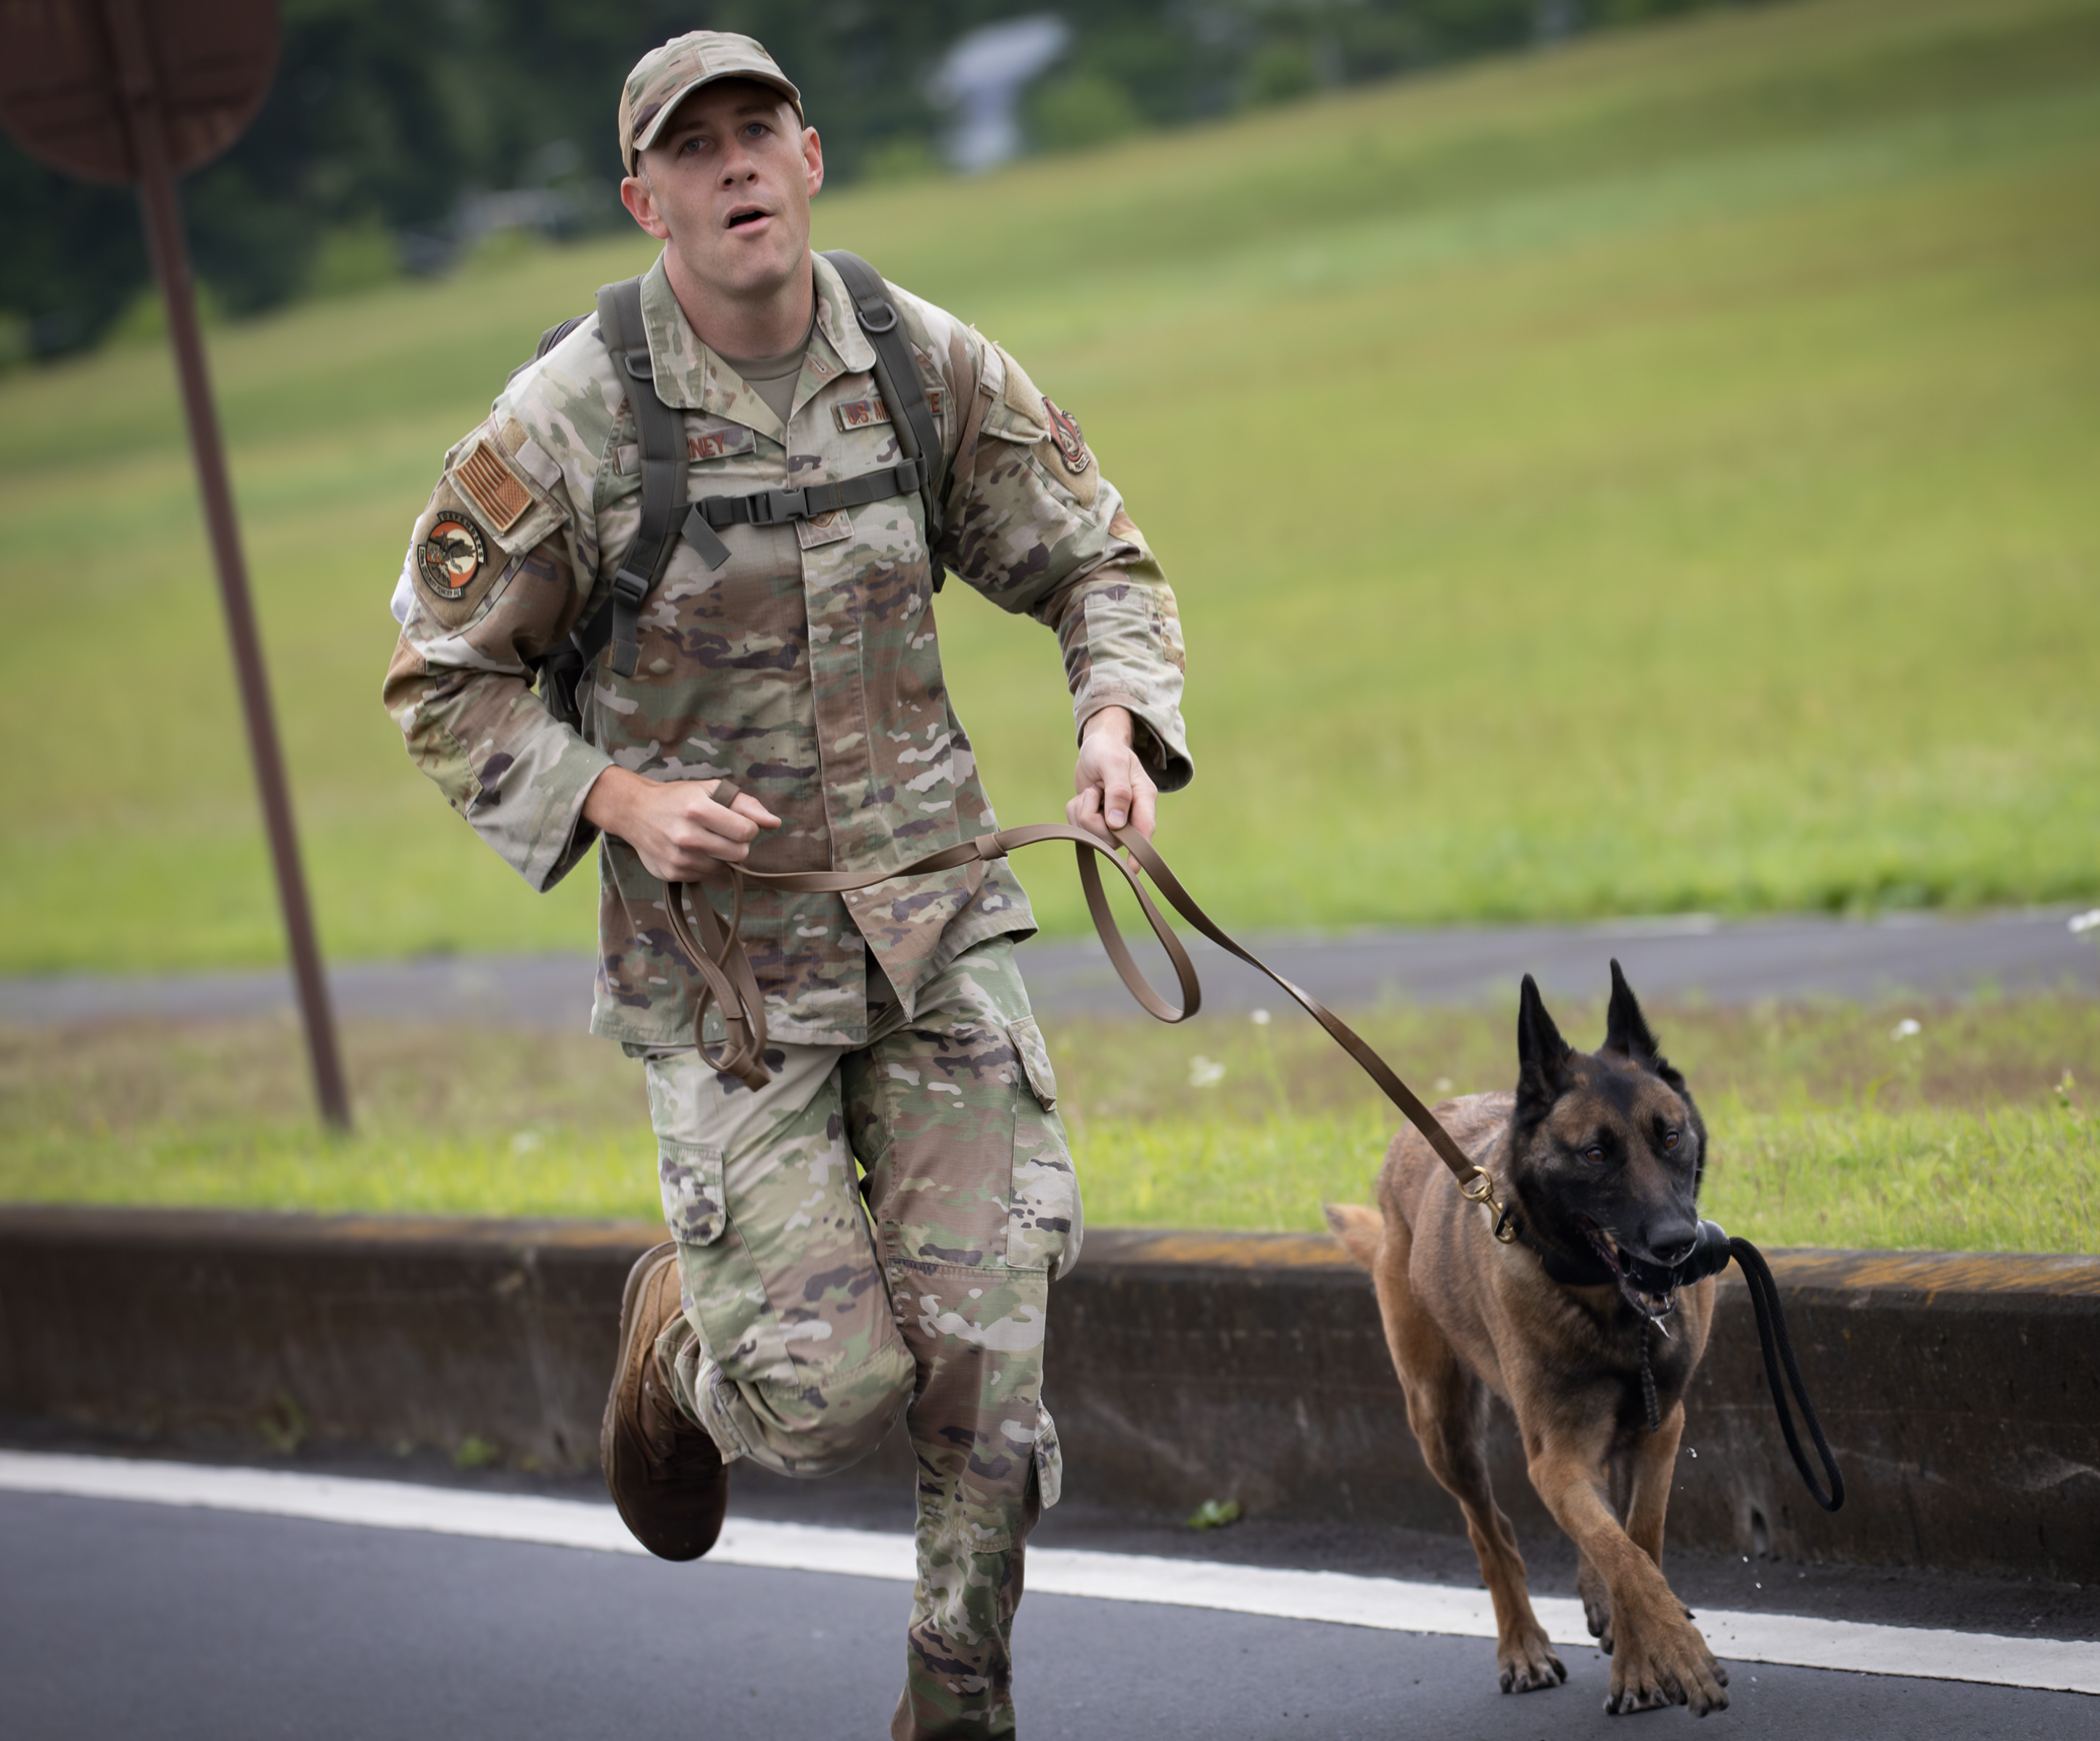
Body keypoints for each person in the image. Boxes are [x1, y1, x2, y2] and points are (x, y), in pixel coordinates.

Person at [381, 30, 1190, 1740]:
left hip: (938, 925)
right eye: (696, 148)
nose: (736, 164)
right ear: (646, 200)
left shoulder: (916, 360)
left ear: (811, 159)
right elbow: (440, 679)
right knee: (821, 1398)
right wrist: (616, 797)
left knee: (992, 1355)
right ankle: (679, 1338)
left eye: (760, 131)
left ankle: (955, 1707)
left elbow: (1095, 558)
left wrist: (1113, 722)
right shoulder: (573, 419)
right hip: (724, 975)